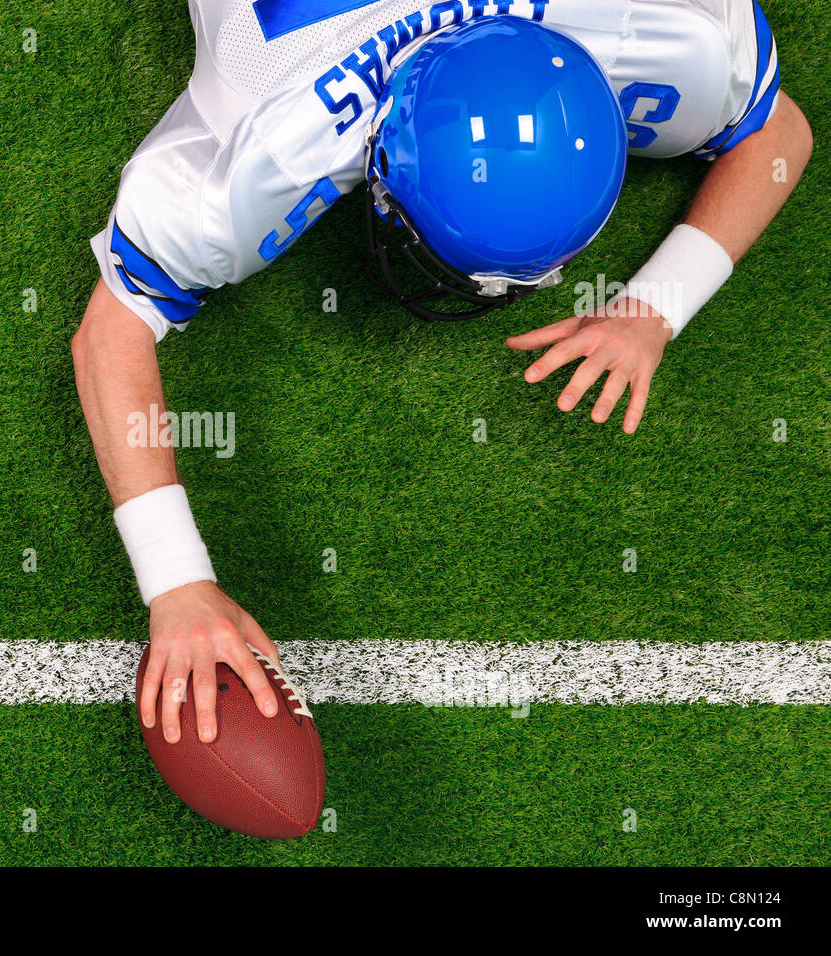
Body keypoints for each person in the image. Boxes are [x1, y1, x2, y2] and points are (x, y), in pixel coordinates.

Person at [71, 1, 812, 745]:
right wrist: (175, 581)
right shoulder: (262, 141)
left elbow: (780, 133)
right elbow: (111, 328)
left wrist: (654, 308)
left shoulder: (673, 36)